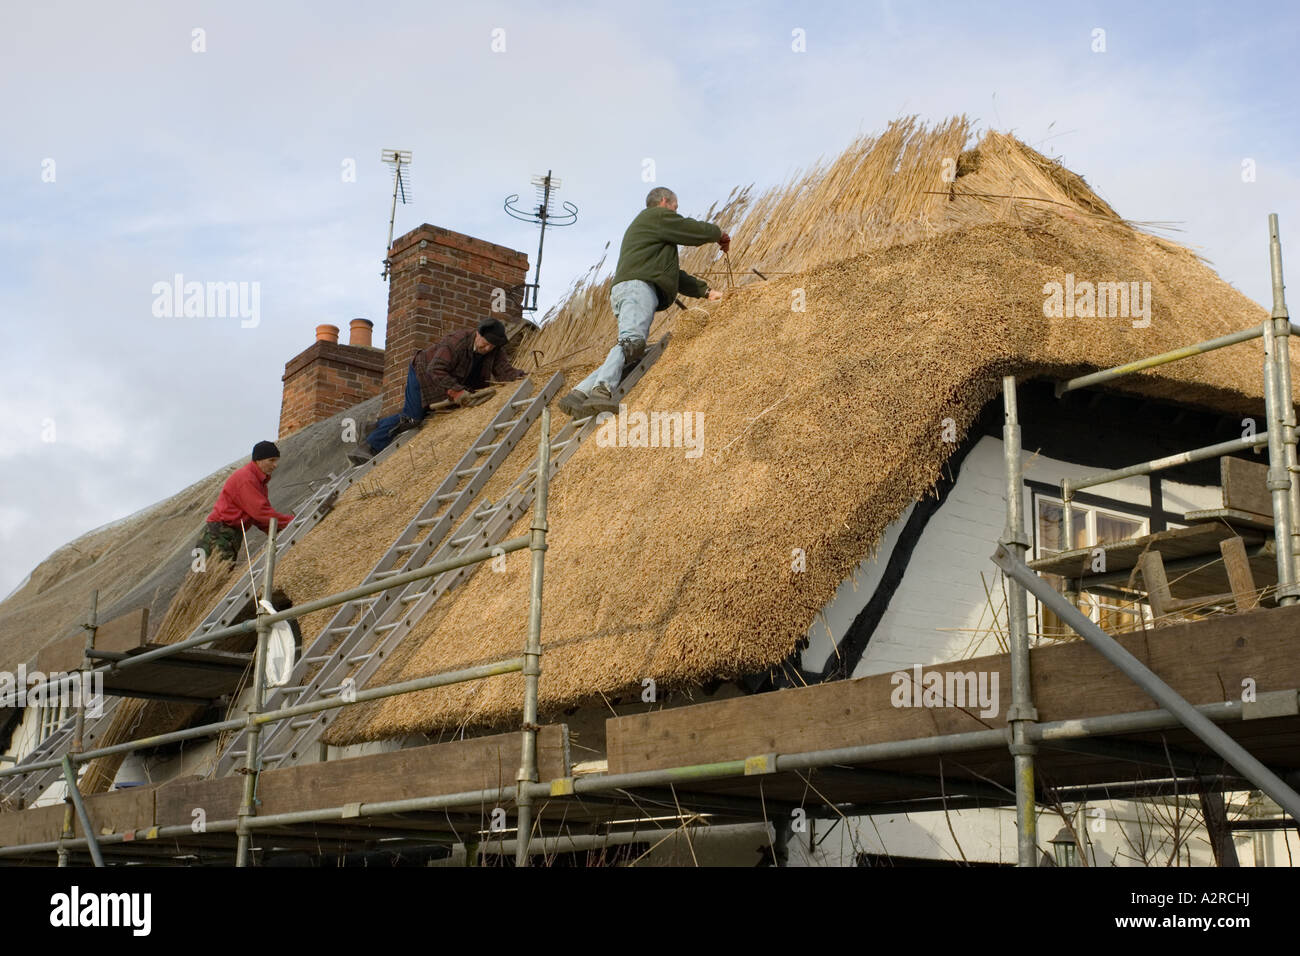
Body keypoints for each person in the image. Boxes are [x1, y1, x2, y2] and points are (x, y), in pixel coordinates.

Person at [557, 187, 728, 416]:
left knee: (630, 347)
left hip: (627, 289)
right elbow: (691, 230)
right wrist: (719, 234)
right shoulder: (655, 216)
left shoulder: (651, 234)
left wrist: (706, 292)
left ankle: (578, 394)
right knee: (632, 342)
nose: (676, 213)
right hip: (638, 288)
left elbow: (671, 274)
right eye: (675, 208)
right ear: (665, 201)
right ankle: (602, 390)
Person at [350, 318, 525, 464]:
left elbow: (505, 371)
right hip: (422, 371)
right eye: (485, 344)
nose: (487, 349)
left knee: (426, 415)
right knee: (414, 417)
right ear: (478, 334)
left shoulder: (494, 350)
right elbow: (435, 369)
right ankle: (369, 446)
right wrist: (457, 392)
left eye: (491, 347)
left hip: (450, 379)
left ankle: (371, 427)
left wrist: (520, 376)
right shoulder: (456, 342)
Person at [198, 441, 295, 562]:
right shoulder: (246, 479)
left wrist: (278, 529)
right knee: (211, 574)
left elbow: (259, 519)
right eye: (272, 460)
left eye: (276, 460)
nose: (275, 465)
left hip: (230, 533)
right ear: (259, 460)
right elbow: (260, 512)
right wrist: (291, 522)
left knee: (222, 572)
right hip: (218, 533)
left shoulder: (260, 482)